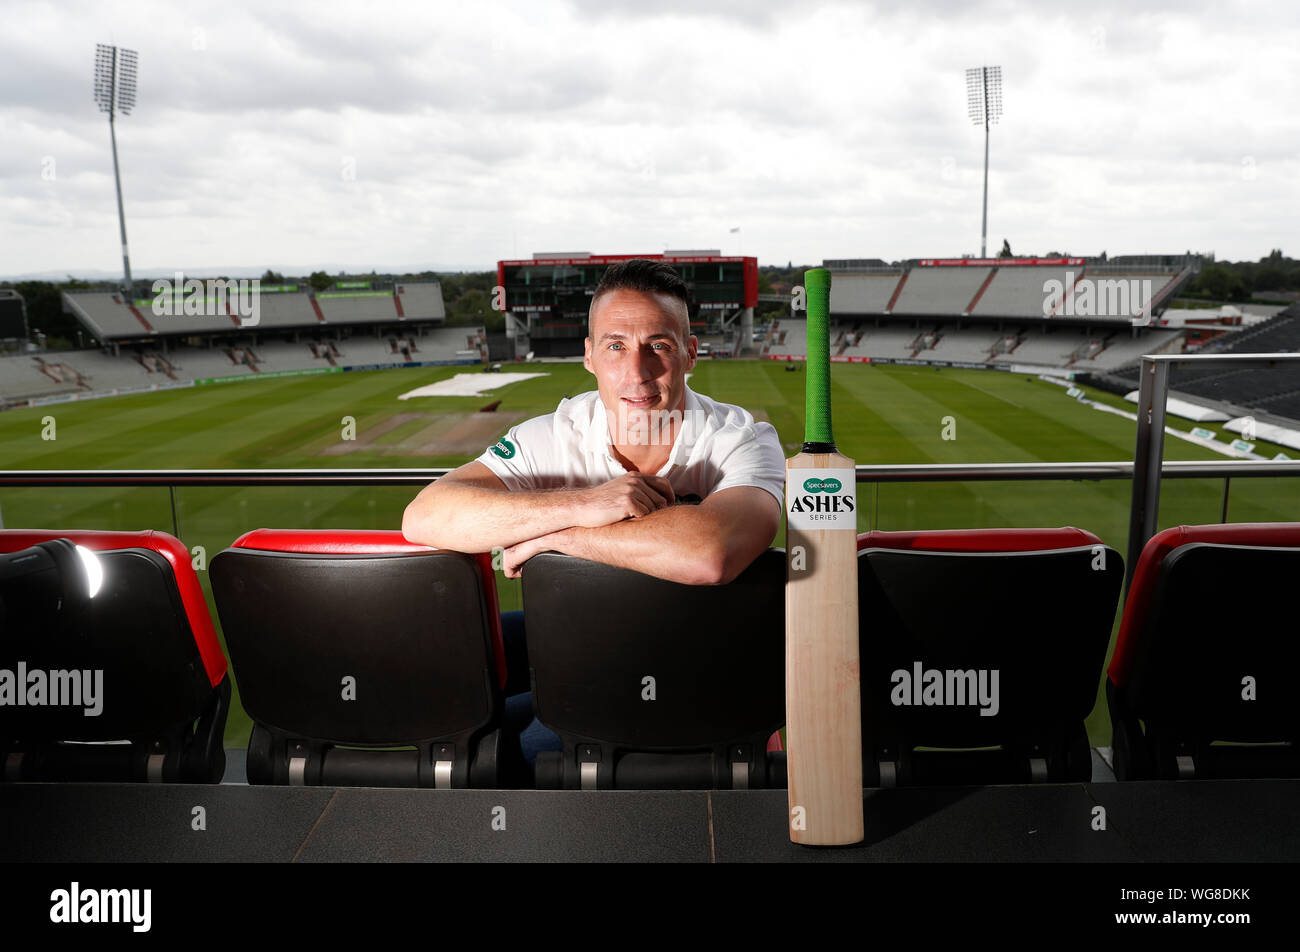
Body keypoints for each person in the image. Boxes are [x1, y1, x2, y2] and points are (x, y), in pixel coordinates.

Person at [401, 258, 785, 778]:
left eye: (660, 345)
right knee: (458, 720)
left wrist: (560, 535)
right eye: (615, 346)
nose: (637, 372)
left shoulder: (739, 438)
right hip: (591, 650)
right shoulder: (557, 434)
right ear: (588, 356)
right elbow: (426, 516)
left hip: (699, 664)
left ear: (691, 353)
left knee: (507, 756)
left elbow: (710, 553)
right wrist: (585, 501)